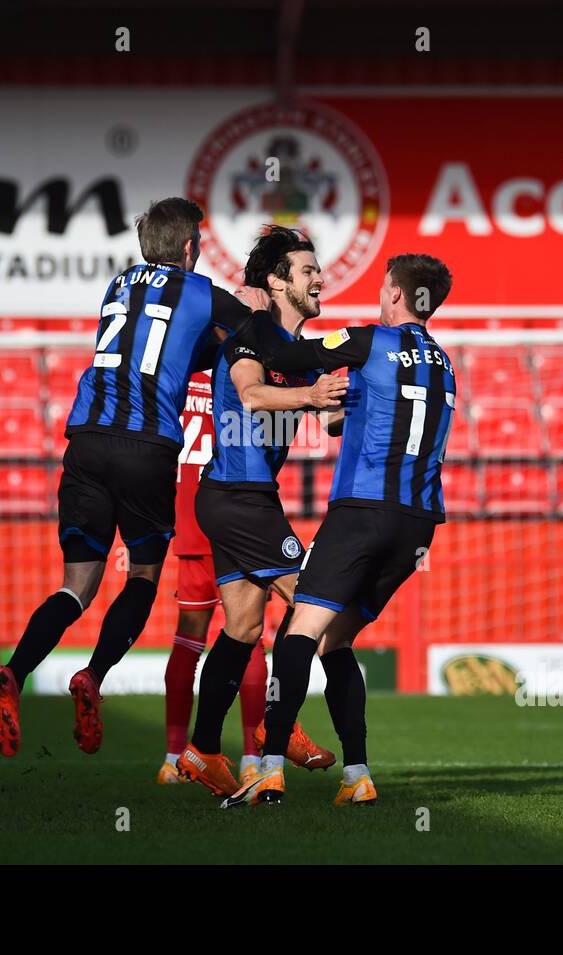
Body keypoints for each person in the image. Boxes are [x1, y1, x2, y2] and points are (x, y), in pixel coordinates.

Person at [0, 197, 263, 757]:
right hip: (146, 449)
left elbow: (169, 348)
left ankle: (14, 673)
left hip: (86, 444)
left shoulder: (117, 287)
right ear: (190, 248)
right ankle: (93, 675)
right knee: (141, 575)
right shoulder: (199, 291)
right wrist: (256, 311)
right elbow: (251, 335)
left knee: (77, 586)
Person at [222, 253, 456, 808]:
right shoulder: (445, 362)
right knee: (336, 639)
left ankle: (270, 768)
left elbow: (286, 352)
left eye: (382, 288)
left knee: (299, 631)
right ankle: (357, 776)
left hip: (362, 512)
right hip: (419, 525)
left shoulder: (370, 339)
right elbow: (378, 406)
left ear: (396, 294)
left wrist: (255, 315)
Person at [173, 227, 343, 796]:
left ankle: (201, 749)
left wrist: (348, 403)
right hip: (239, 496)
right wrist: (311, 396)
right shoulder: (252, 332)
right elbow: (250, 394)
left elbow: (328, 415)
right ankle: (281, 723)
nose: (320, 278)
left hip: (235, 498)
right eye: (307, 270)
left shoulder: (297, 353)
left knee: (242, 628)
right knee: (316, 604)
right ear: (276, 282)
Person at [157, 370, 273, 787]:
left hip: (189, 520)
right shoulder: (243, 380)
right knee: (248, 635)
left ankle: (173, 758)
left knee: (187, 638)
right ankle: (251, 759)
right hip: (234, 519)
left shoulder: (175, 383)